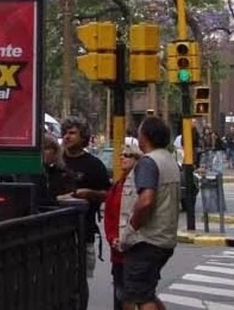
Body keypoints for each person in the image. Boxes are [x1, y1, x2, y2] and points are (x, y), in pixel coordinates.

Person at [120, 116, 180, 310]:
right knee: (146, 292)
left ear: (145, 136)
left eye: (139, 132)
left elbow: (145, 201)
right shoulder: (169, 160)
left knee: (138, 296)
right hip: (165, 237)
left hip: (147, 239)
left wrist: (130, 229)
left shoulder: (148, 162)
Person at [59, 116, 111, 310]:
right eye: (65, 133)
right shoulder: (56, 161)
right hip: (54, 234)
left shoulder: (94, 165)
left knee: (79, 281)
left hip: (84, 232)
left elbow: (107, 194)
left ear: (84, 137)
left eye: (72, 133)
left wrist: (90, 194)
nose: (67, 137)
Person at [104, 143, 142, 310]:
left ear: (137, 159)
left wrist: (124, 238)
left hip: (129, 246)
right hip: (116, 247)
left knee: (132, 294)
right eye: (121, 155)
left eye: (127, 155)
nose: (122, 158)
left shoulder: (137, 184)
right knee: (121, 292)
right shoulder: (120, 183)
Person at [39, 132, 75, 207]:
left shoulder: (63, 173)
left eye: (46, 148)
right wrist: (56, 199)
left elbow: (71, 194)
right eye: (40, 148)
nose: (42, 152)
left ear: (55, 151)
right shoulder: (31, 173)